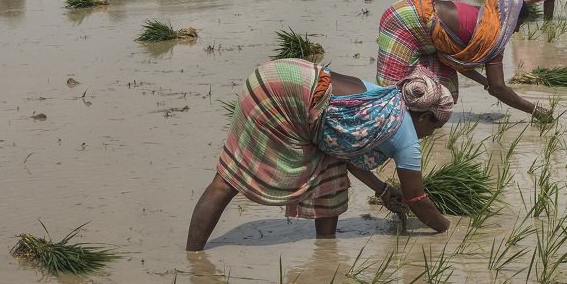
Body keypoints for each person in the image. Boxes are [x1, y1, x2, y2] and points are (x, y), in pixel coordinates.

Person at [186, 61, 454, 251]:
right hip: (283, 96)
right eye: (434, 127)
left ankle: (326, 252)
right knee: (227, 181)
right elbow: (417, 199)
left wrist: (383, 190)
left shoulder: (384, 100)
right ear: (426, 115)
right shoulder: (406, 136)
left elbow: (342, 153)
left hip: (280, 74)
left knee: (330, 169)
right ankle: (192, 259)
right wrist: (445, 229)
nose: (430, 134)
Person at [376, 0, 551, 122]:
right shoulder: (491, 34)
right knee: (391, 91)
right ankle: (381, 125)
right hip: (404, 20)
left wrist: (485, 82)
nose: (517, 30)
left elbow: (457, 63)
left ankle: (418, 125)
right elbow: (498, 88)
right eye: (518, 24)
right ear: (511, 20)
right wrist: (535, 110)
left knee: (444, 90)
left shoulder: (486, 20)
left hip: (427, 39)